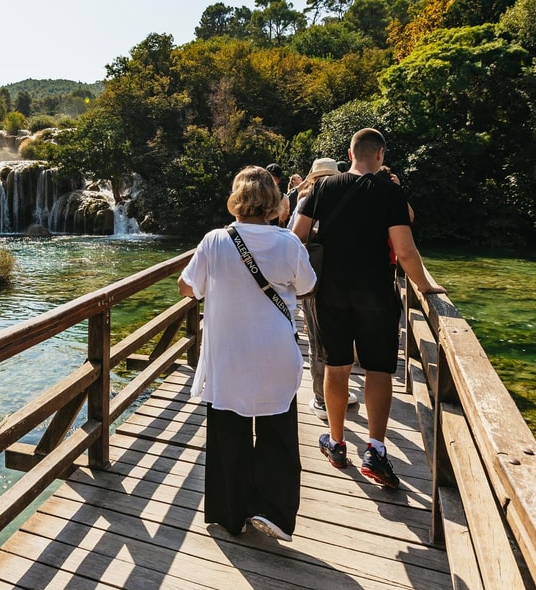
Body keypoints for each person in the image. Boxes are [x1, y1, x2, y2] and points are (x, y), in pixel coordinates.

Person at [292, 129, 446, 489]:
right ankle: (375, 450)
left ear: (349, 153)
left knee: (336, 364)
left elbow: (295, 237)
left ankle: (337, 442)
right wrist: (426, 287)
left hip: (331, 293)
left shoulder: (323, 188)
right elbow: (405, 252)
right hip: (376, 292)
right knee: (378, 369)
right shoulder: (390, 191)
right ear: (380, 155)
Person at [178, 166, 316, 540]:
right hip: (275, 353)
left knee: (228, 435)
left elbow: (187, 287)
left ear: (236, 200)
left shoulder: (214, 241)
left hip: (229, 356)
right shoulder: (289, 243)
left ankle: (230, 512)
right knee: (278, 433)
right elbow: (306, 285)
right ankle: (272, 510)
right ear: (273, 202)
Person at [290, 158, 358, 422]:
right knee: (322, 342)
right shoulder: (310, 200)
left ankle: (332, 393)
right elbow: (295, 239)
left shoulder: (310, 200)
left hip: (324, 278)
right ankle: (321, 397)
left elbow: (292, 239)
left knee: (332, 341)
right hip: (321, 280)